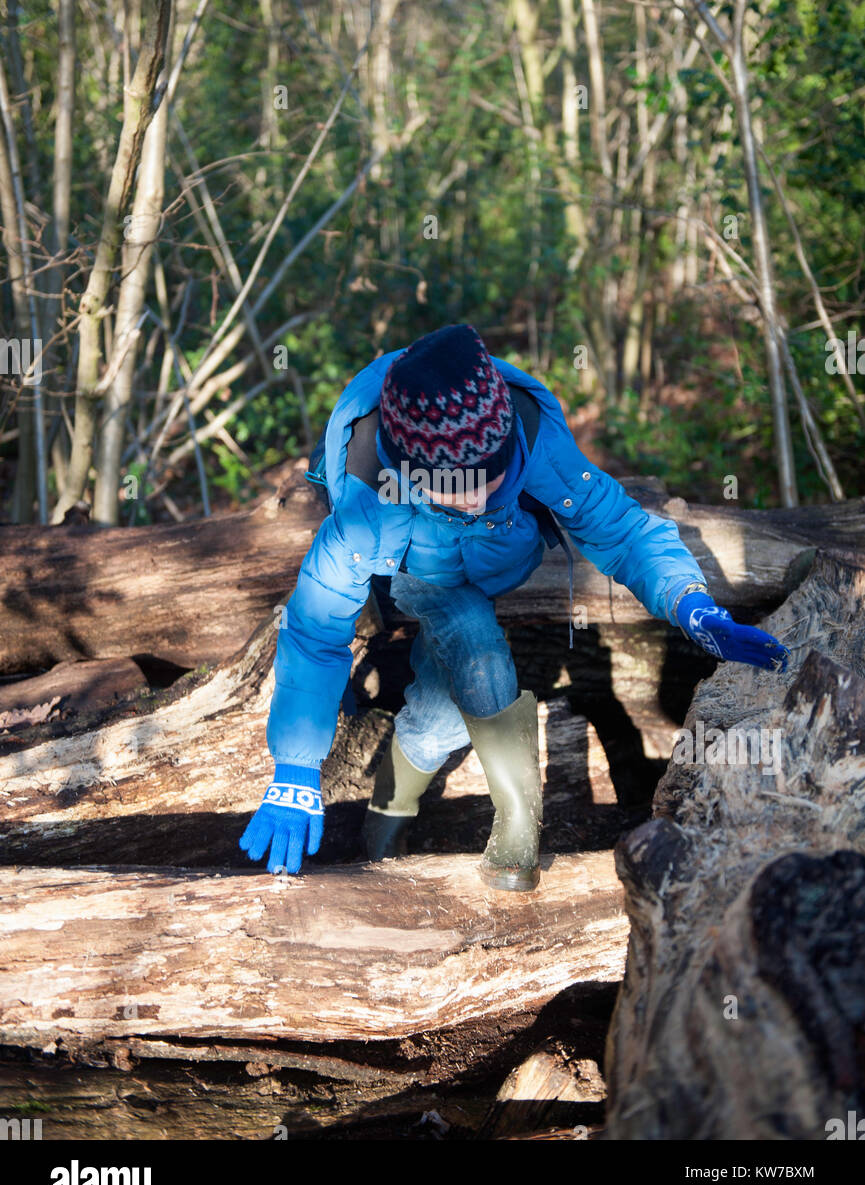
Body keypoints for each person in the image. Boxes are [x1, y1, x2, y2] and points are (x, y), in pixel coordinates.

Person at [239, 324, 788, 889]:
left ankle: (386, 816)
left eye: (491, 475)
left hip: (494, 565)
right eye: (456, 487)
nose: (476, 498)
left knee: (439, 718)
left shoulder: (530, 433)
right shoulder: (369, 500)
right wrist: (296, 768)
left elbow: (621, 529)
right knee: (476, 652)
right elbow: (315, 629)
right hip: (417, 572)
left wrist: (692, 603)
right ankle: (513, 842)